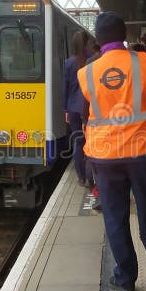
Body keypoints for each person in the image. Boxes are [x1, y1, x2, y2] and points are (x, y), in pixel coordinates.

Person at [78, 11, 146, 291]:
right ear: (124, 35)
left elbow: (84, 115)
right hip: (141, 151)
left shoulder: (87, 71)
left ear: (98, 38)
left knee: (115, 217)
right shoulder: (144, 62)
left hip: (104, 155)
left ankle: (125, 280)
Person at [63, 31, 93, 187]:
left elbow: (66, 88)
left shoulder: (69, 63)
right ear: (87, 44)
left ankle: (81, 177)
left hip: (74, 108)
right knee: (92, 141)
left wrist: (66, 110)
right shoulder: (93, 61)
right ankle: (91, 176)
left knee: (78, 142)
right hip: (91, 108)